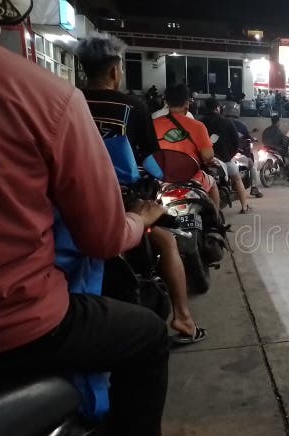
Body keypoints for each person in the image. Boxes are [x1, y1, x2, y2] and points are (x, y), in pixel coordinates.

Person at [0, 17, 169, 436]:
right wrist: (144, 216)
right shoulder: (47, 97)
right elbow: (107, 231)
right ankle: (181, 314)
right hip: (15, 321)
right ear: (116, 68)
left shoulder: (75, 97)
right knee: (148, 332)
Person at [75, 33, 204, 343]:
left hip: (70, 199)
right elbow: (150, 156)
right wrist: (167, 178)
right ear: (114, 71)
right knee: (167, 241)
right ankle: (184, 319)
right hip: (121, 201)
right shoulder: (132, 106)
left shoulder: (68, 100)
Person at [153, 84, 222, 209]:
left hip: (162, 180)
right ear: (187, 103)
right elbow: (207, 156)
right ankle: (217, 223)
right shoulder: (197, 126)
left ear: (166, 102)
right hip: (191, 179)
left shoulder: (153, 124)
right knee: (212, 184)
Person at [200, 97, 252, 213]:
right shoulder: (227, 122)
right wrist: (229, 155)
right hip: (224, 160)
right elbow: (236, 142)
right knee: (237, 179)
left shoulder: (199, 123)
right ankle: (244, 206)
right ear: (218, 108)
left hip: (203, 161)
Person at [221, 103, 264, 198]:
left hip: (222, 154)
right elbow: (248, 138)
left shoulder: (221, 123)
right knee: (251, 165)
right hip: (238, 153)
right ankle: (254, 188)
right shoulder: (241, 125)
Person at [262, 114, 289, 186]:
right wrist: (288, 142)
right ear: (278, 122)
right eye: (279, 122)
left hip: (267, 147)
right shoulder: (278, 131)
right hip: (276, 149)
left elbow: (263, 138)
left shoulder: (266, 130)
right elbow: (284, 140)